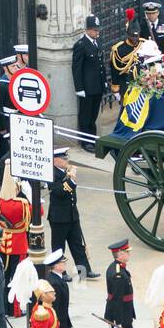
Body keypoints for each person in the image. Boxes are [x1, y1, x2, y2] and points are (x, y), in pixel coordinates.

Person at [48, 147, 98, 277]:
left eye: (66, 158)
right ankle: (60, 272)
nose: (66, 160)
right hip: (59, 217)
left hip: (72, 215)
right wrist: (71, 180)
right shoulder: (52, 174)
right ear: (55, 160)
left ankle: (84, 271)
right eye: (63, 158)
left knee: (77, 245)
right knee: (59, 247)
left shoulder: (65, 172)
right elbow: (59, 192)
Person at [0, 166, 31, 311]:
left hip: (1, 243)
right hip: (18, 245)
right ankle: (15, 308)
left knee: (3, 277)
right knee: (17, 278)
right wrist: (29, 197)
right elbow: (39, 213)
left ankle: (3, 307)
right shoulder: (22, 205)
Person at [71, 15, 106, 152]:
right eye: (95, 30)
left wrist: (104, 83)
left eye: (98, 30)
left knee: (93, 115)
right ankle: (86, 141)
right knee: (86, 115)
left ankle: (92, 138)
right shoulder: (81, 45)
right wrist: (79, 87)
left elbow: (100, 65)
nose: (97, 32)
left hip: (97, 86)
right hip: (86, 87)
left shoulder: (98, 43)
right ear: (88, 30)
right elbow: (76, 68)